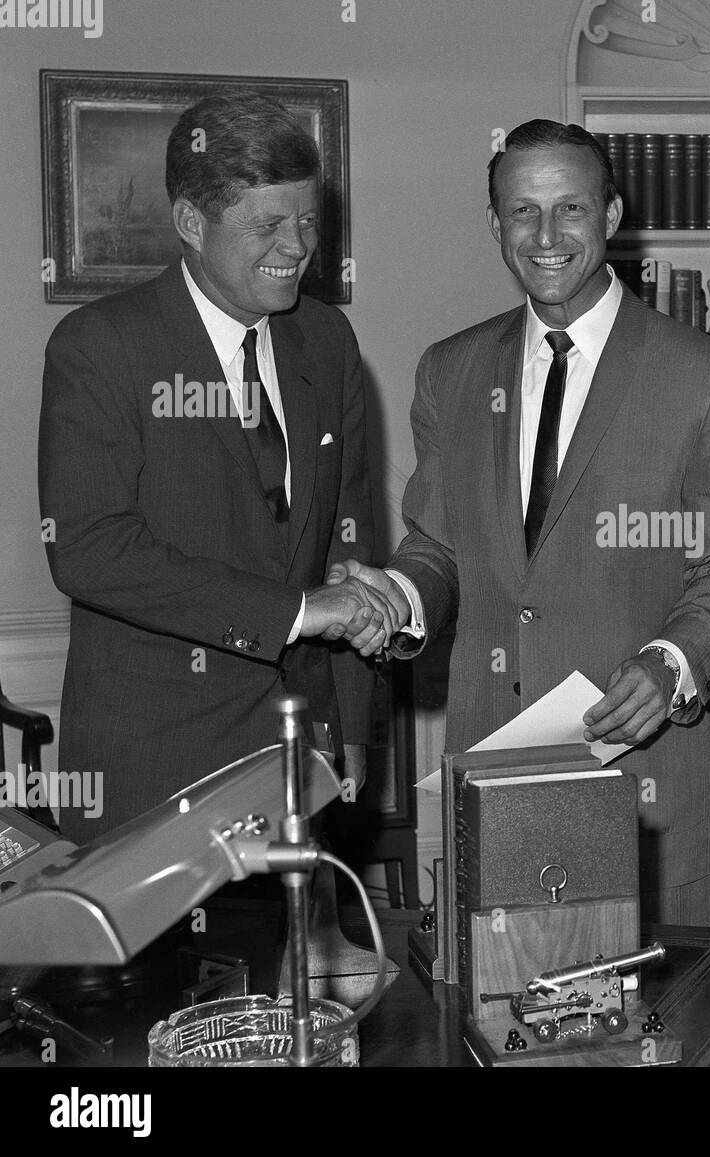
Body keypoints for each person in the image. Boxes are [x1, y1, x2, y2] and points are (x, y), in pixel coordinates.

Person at [333, 120, 710, 925]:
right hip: (491, 787)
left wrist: (673, 662)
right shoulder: (450, 369)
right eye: (522, 212)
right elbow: (439, 545)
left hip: (644, 788)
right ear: (496, 224)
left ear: (610, 215)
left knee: (646, 1042)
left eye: (569, 208)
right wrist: (395, 596)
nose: (546, 235)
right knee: (497, 1039)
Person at [39, 92, 390, 843]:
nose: (298, 246)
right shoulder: (101, 346)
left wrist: (351, 723)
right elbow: (88, 549)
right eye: (267, 224)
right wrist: (294, 613)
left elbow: (346, 545)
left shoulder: (327, 342)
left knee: (285, 968)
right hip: (151, 778)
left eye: (307, 220)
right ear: (192, 224)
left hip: (299, 769)